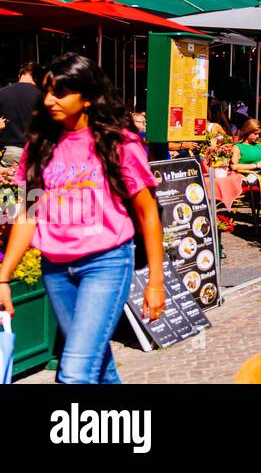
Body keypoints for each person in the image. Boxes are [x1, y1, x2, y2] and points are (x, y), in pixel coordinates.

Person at [0, 53, 165, 382]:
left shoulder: (118, 143)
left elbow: (148, 214)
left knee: (74, 372)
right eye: (46, 92)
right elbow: (28, 213)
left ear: (87, 97)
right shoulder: (41, 145)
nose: (49, 100)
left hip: (105, 263)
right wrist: (3, 276)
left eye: (60, 93)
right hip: (56, 269)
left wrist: (156, 282)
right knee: (97, 364)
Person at [0, 62, 41, 167]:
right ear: (37, 78)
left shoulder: (2, 93)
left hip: (9, 152)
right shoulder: (43, 96)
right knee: (28, 183)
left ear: (19, 75)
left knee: (10, 183)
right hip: (34, 153)